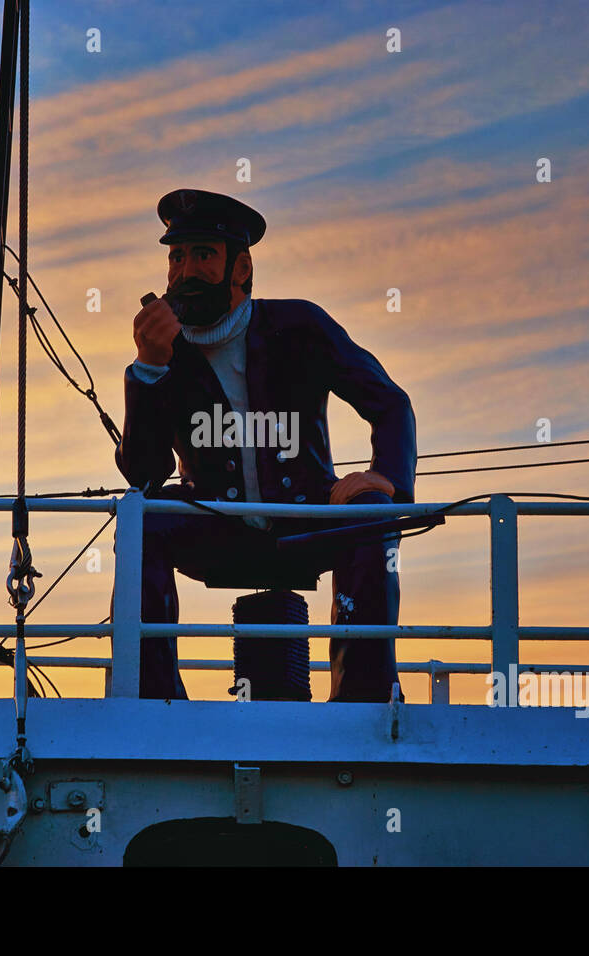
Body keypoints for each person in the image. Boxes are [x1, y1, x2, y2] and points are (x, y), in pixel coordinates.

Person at [114, 187, 417, 702]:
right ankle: (153, 698)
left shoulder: (299, 326)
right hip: (216, 525)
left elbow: (389, 402)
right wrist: (149, 370)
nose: (186, 271)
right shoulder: (165, 356)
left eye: (204, 255)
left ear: (241, 268)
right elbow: (143, 475)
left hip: (307, 521)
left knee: (370, 514)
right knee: (142, 517)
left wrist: (384, 476)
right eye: (177, 256)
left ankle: (363, 695)